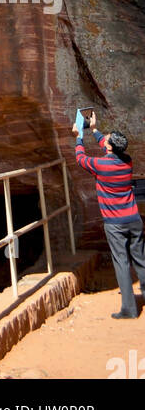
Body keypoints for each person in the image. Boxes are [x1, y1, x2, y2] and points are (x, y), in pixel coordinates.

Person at [73, 109, 145, 319]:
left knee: (121, 261)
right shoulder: (127, 161)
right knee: (140, 257)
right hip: (133, 219)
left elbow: (80, 158)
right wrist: (94, 130)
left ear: (110, 147)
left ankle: (129, 309)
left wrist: (79, 136)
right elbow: (107, 145)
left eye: (107, 140)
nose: (104, 140)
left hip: (115, 223)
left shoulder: (101, 165)